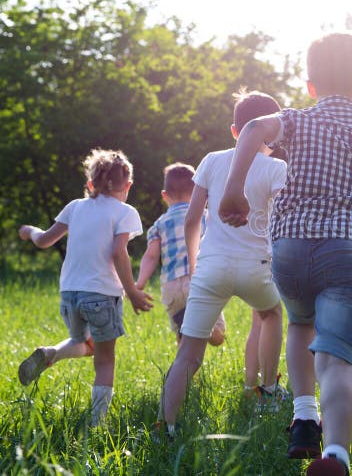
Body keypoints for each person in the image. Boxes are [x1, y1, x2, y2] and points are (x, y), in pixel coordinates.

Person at [219, 32, 352, 476]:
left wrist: (234, 190)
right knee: (337, 357)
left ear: (310, 86)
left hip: (291, 250)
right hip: (348, 253)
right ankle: (336, 454)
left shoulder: (296, 120)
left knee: (300, 324)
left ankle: (304, 416)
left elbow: (251, 129)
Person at [159, 90, 288, 434]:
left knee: (188, 354)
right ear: (274, 134)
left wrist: (193, 262)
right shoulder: (278, 168)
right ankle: (269, 389)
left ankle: (165, 426)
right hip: (256, 267)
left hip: (211, 266)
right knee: (271, 314)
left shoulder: (211, 160)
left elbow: (191, 220)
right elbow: (281, 221)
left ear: (235, 130)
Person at [17, 149, 153, 427]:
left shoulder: (75, 207)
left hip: (69, 295)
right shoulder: (125, 211)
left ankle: (50, 353)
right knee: (104, 360)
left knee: (86, 344)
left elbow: (44, 240)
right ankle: (97, 424)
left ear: (91, 184)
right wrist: (133, 292)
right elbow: (119, 252)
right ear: (127, 185)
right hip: (102, 295)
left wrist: (30, 230)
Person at [135, 163, 226, 346]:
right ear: (199, 192)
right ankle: (208, 329)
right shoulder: (205, 216)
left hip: (172, 288)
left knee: (183, 340)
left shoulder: (160, 224)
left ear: (164, 196)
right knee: (218, 337)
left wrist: (140, 284)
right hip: (201, 279)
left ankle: (184, 372)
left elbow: (151, 256)